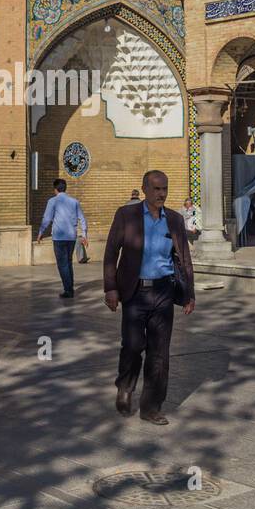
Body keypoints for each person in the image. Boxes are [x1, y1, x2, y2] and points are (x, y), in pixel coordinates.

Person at [103, 170, 195, 426]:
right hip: (135, 292)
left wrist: (189, 293)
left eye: (164, 188)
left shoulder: (175, 220)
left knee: (159, 353)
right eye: (156, 189)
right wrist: (110, 288)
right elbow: (111, 253)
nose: (161, 194)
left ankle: (151, 407)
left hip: (164, 292)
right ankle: (125, 386)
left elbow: (184, 259)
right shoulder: (127, 215)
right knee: (132, 345)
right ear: (144, 189)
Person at [37, 179, 87, 299]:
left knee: (62, 264)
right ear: (65, 188)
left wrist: (41, 232)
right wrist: (84, 234)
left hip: (59, 238)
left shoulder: (53, 201)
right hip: (71, 237)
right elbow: (82, 218)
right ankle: (69, 288)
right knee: (68, 263)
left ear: (55, 189)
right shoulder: (74, 201)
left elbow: (47, 218)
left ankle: (68, 290)